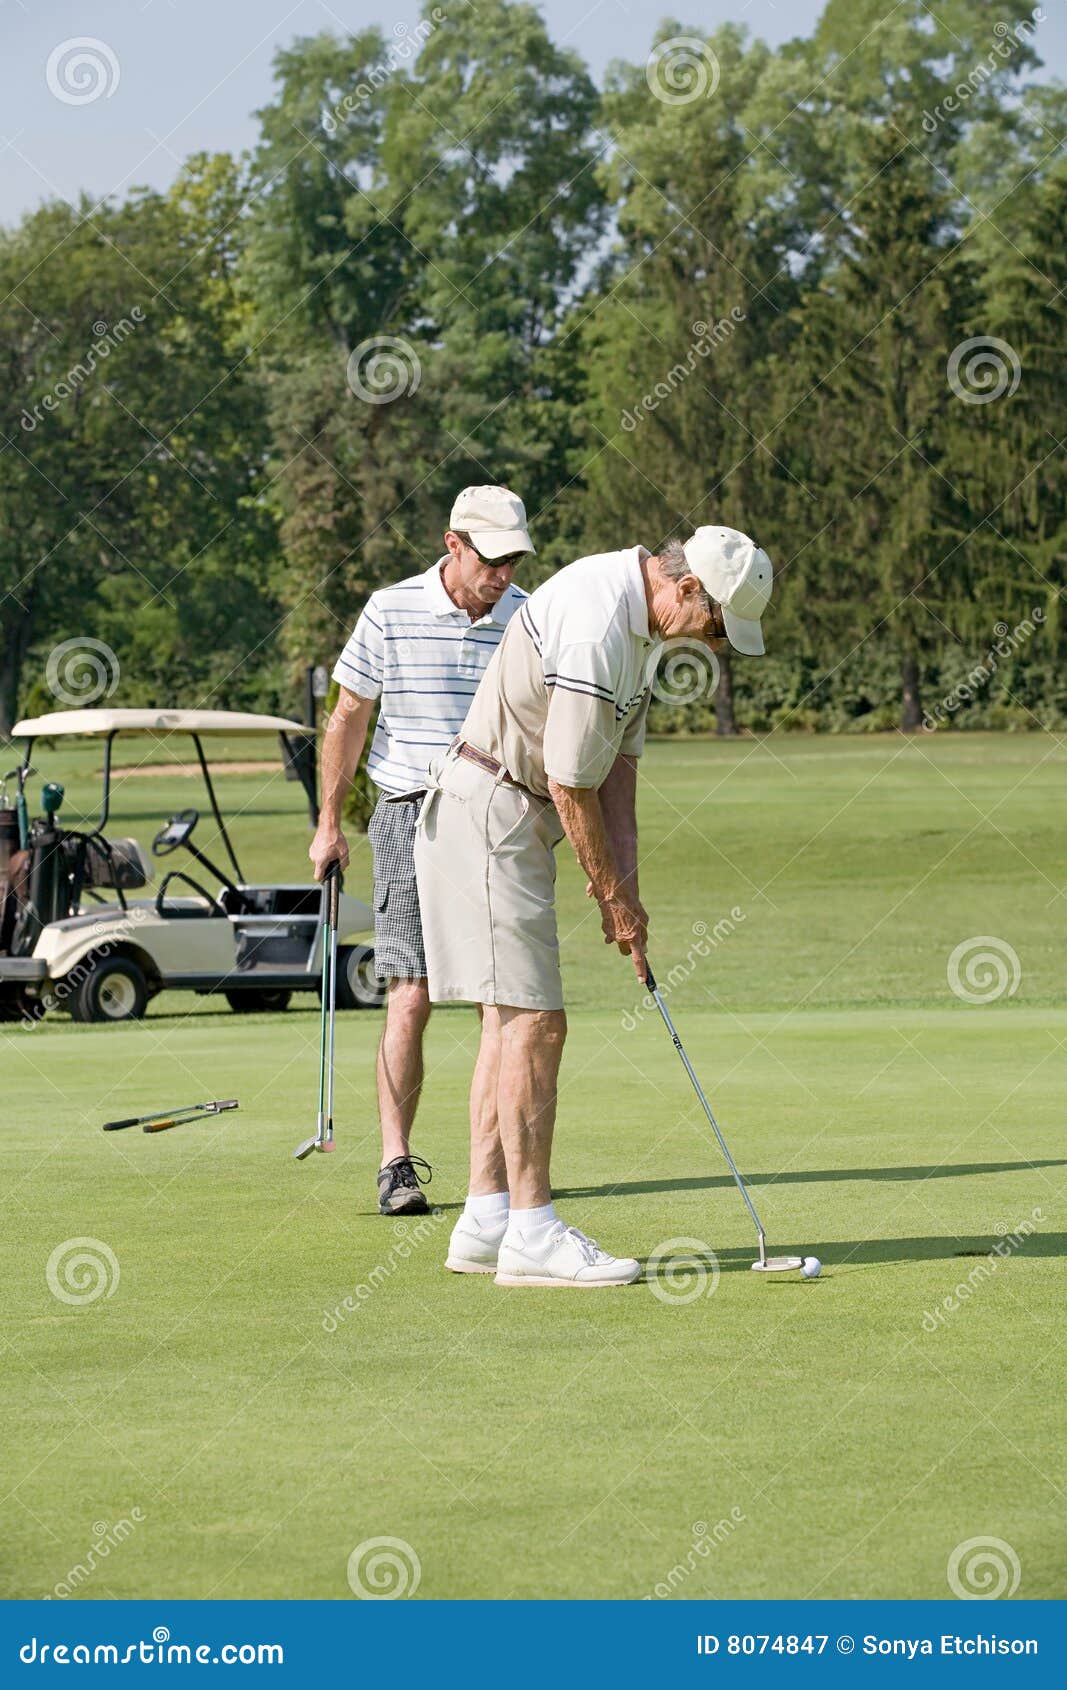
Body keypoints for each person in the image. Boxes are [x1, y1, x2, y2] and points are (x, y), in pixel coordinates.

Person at [414, 525, 773, 1286]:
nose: (713, 646)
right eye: (713, 626)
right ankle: (533, 1232)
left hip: (509, 816)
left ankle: (485, 1218)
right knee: (537, 1023)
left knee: (508, 1022)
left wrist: (630, 894)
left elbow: (617, 777)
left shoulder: (642, 631)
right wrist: (608, 896)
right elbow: (570, 781)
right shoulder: (596, 618)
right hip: (491, 811)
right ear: (684, 588)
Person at [309, 486, 534, 1215]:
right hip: (408, 811)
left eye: (512, 560)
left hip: (495, 818)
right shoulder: (391, 608)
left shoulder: (528, 617)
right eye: (489, 559)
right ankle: (395, 1164)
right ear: (453, 544)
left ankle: (494, 1169)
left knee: (500, 1001)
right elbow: (348, 715)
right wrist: (328, 822)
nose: (500, 575)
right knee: (410, 992)